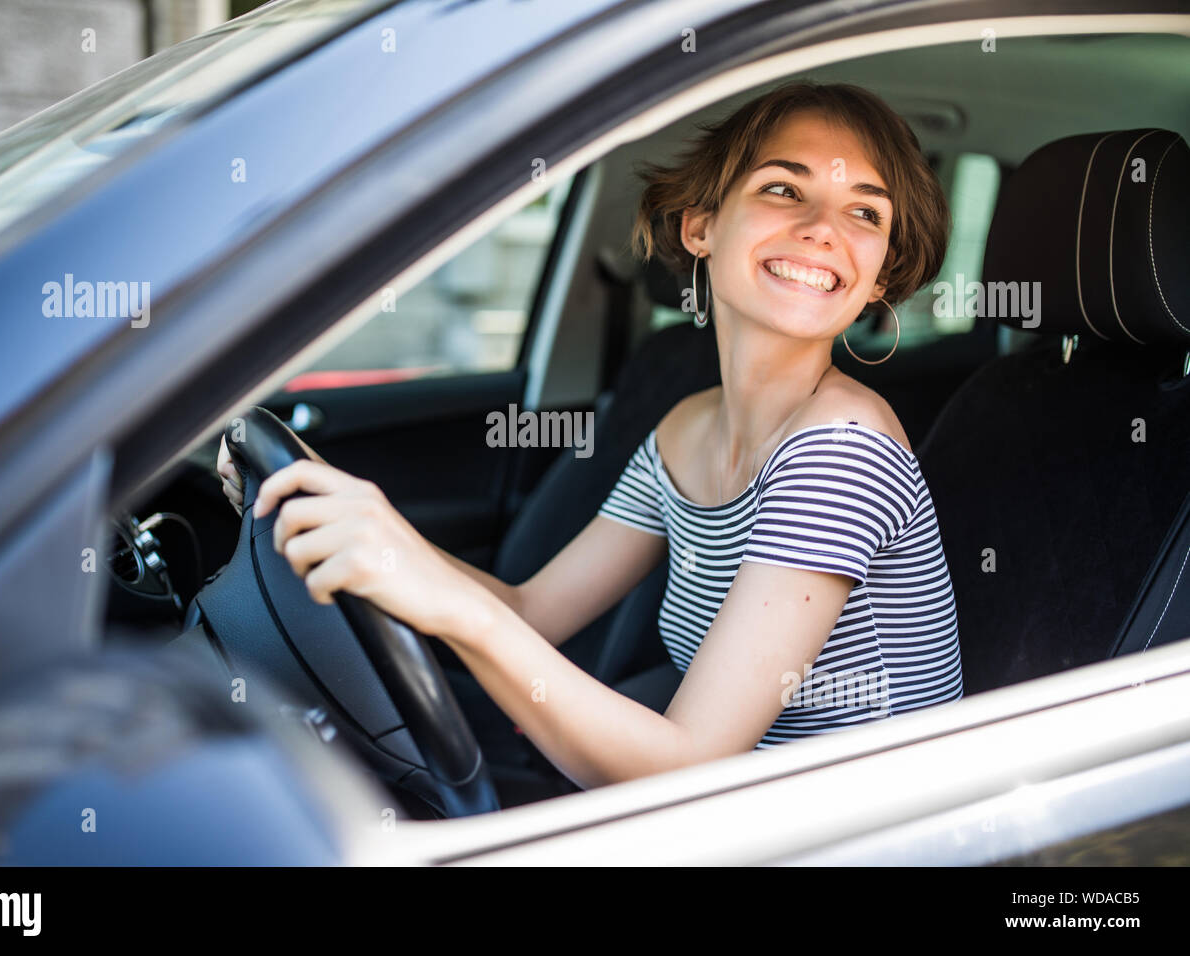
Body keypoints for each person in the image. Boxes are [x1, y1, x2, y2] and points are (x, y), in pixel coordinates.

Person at [217, 81, 964, 797]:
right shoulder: (686, 427)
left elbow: (687, 767)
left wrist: (446, 600)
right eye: (784, 189)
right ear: (700, 226)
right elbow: (534, 610)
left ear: (878, 278)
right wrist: (345, 507)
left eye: (866, 214)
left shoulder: (843, 448)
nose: (824, 230)